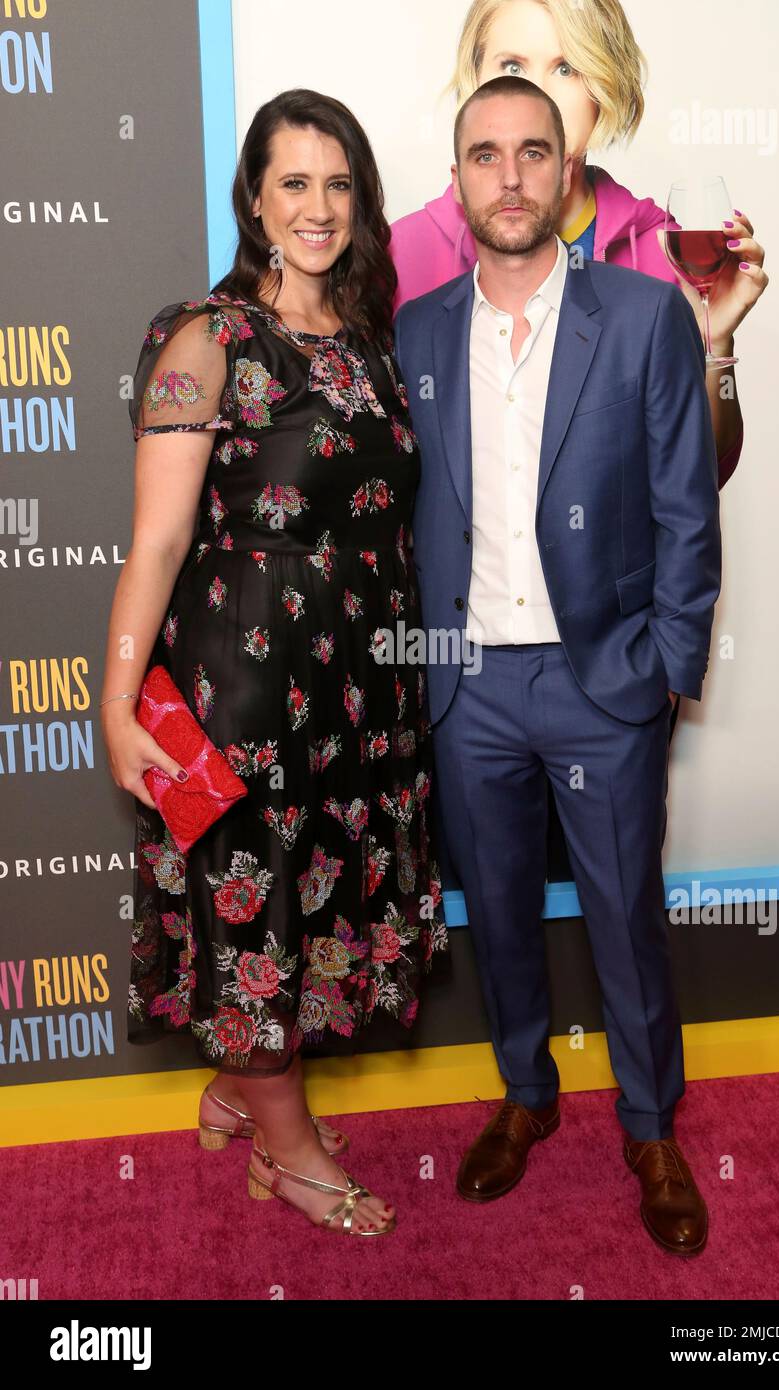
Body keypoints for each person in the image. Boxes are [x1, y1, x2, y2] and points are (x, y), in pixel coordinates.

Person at [100, 88, 448, 1238]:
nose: (317, 206)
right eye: (293, 182)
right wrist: (114, 699)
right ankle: (287, 1151)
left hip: (355, 694)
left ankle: (240, 1095)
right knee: (252, 920)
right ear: (253, 197)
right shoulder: (204, 335)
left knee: (311, 911)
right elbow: (155, 538)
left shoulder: (367, 346)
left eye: (338, 183)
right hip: (238, 693)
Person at [394, 75, 721, 1254]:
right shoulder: (415, 331)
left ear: (567, 170)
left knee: (627, 916)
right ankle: (526, 1096)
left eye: (535, 151)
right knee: (504, 916)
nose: (513, 175)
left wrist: (667, 664)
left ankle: (650, 1124)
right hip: (470, 686)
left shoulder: (642, 317)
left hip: (604, 683)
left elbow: (688, 511)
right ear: (460, 176)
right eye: (487, 155)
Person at [391, 0, 769, 497]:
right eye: (511, 66)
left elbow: (701, 474)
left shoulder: (662, 253)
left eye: (566, 68)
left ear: (602, 86)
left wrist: (715, 346)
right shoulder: (402, 252)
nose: (536, 92)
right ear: (474, 80)